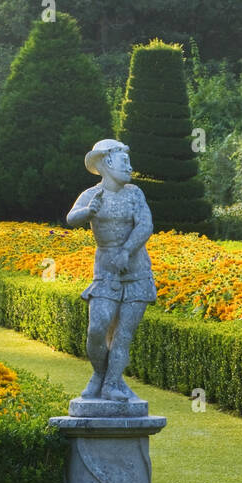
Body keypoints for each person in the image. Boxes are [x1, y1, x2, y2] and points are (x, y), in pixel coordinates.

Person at [66, 139, 156, 403]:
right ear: (106, 163)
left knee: (123, 335)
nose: (130, 166)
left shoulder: (134, 193)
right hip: (105, 270)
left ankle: (112, 384)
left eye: (129, 161)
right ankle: (100, 375)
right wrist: (87, 211)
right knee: (97, 329)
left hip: (136, 270)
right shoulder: (91, 195)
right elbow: (71, 218)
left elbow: (145, 225)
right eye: (123, 161)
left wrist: (127, 251)